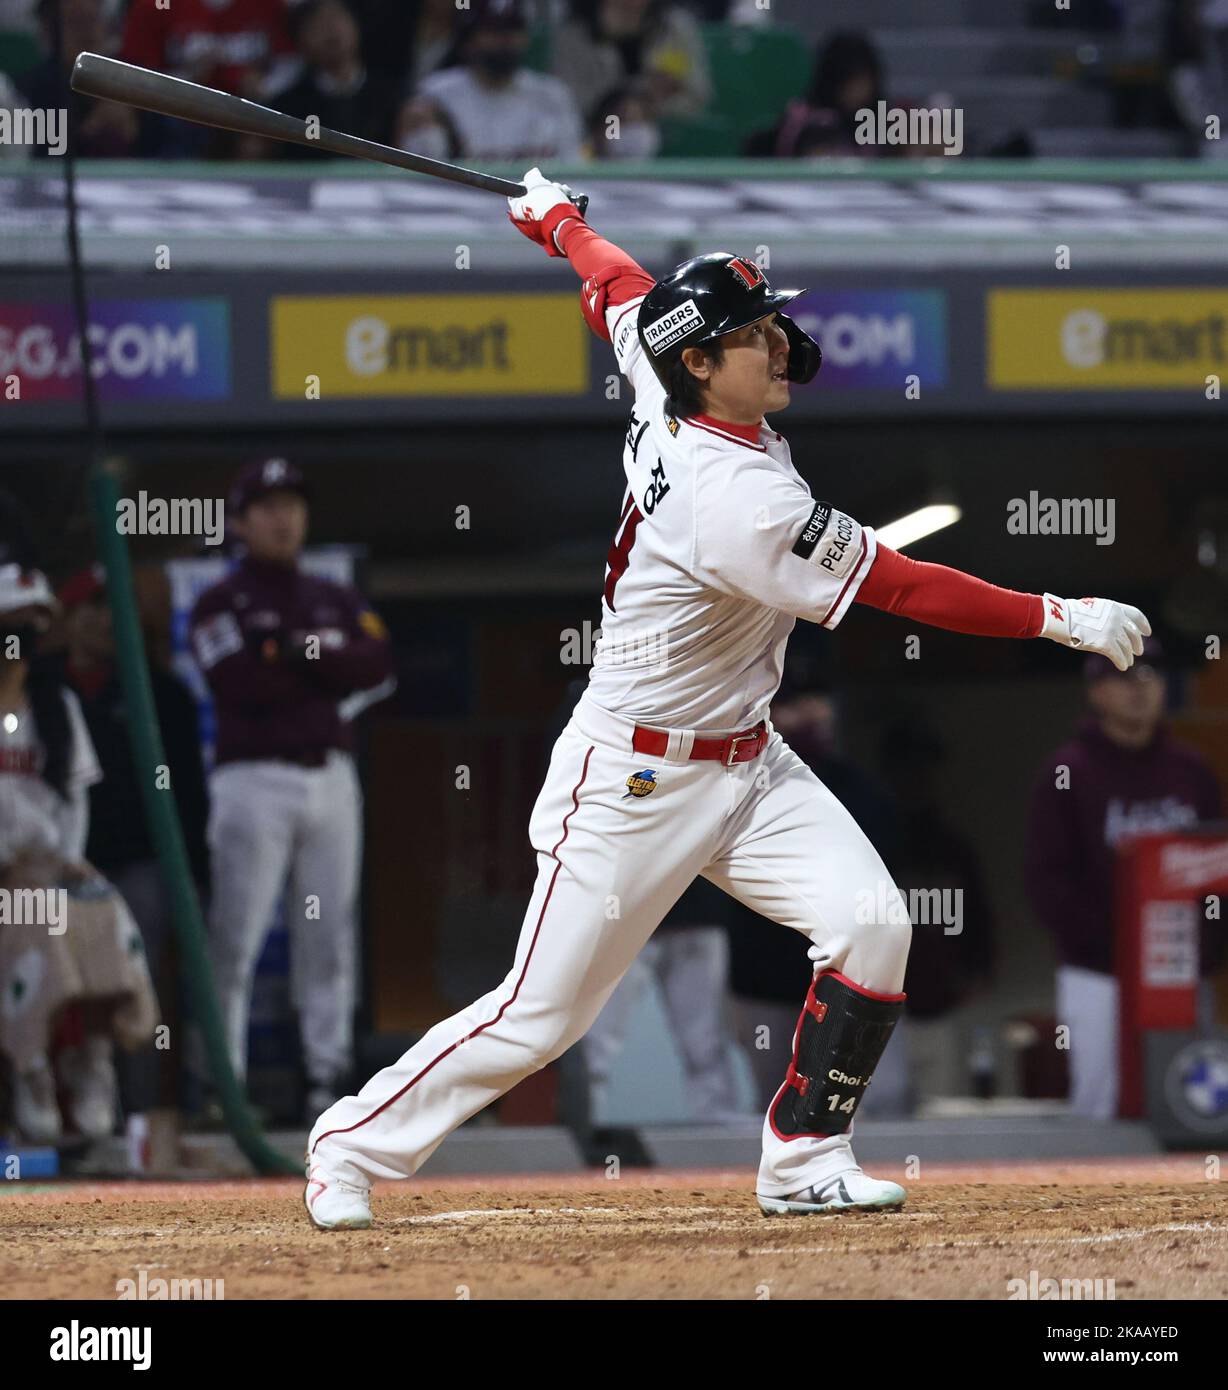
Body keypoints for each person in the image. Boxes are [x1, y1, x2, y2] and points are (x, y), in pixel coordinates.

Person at [303, 168, 1151, 1230]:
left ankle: (803, 1155)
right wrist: (1055, 613)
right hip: (632, 774)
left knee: (872, 923)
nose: (780, 344)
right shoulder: (737, 498)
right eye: (756, 334)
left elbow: (619, 288)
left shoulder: (665, 374)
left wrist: (555, 219)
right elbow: (900, 583)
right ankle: (348, 1142)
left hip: (746, 760)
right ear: (702, 361)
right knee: (544, 1016)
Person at [189, 458, 394, 1120]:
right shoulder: (221, 601)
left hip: (329, 778)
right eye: (269, 506)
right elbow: (241, 685)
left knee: (329, 934)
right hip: (254, 779)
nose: (285, 518)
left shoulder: (333, 597)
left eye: (293, 505)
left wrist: (291, 648)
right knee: (237, 935)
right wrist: (321, 663)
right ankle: (225, 1084)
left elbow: (377, 664)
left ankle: (325, 1080)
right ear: (240, 521)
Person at [1025, 641, 1222, 1119]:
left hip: (1179, 968)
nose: (1139, 690)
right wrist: (1116, 944)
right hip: (1098, 974)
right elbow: (1046, 881)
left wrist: (1208, 949)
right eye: (1124, 678)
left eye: (1150, 677)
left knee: (1188, 1102)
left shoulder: (1191, 770)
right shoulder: (1068, 772)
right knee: (1100, 1105)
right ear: (1097, 692)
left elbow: (1218, 865)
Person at [0, 559, 158, 1143]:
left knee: (105, 912)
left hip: (45, 867)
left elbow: (75, 801)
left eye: (32, 627)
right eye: (9, 625)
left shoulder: (56, 705)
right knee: (37, 920)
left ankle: (92, 1059)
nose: (19, 640)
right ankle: (32, 1067)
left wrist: (68, 855)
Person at [59, 566, 209, 1124]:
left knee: (135, 970)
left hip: (138, 864)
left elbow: (190, 798)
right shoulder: (41, 685)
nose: (102, 620)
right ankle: (54, 1108)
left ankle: (140, 1114)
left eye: (112, 607)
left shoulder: (160, 694)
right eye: (91, 607)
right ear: (68, 618)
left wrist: (192, 876)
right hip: (58, 863)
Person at [397, 0, 583, 166]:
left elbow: (574, 169)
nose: (504, 40)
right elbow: (417, 178)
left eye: (512, 30)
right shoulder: (435, 94)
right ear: (470, 39)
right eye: (493, 31)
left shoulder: (552, 95)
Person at [241, 0, 400, 159]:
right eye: (317, 24)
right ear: (301, 40)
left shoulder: (392, 96)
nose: (331, 30)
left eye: (336, 18)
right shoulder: (289, 107)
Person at [553, 0, 713, 126]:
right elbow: (565, 102)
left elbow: (697, 96)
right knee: (619, 136)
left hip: (670, 136)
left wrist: (649, 108)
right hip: (600, 134)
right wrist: (615, 109)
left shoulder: (676, 28)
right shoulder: (574, 34)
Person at [19, 0, 139, 159]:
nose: (87, 34)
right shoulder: (29, 93)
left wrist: (137, 130)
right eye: (76, 23)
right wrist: (89, 133)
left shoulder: (132, 80)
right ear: (49, 31)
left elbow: (169, 153)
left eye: (93, 20)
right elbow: (36, 162)